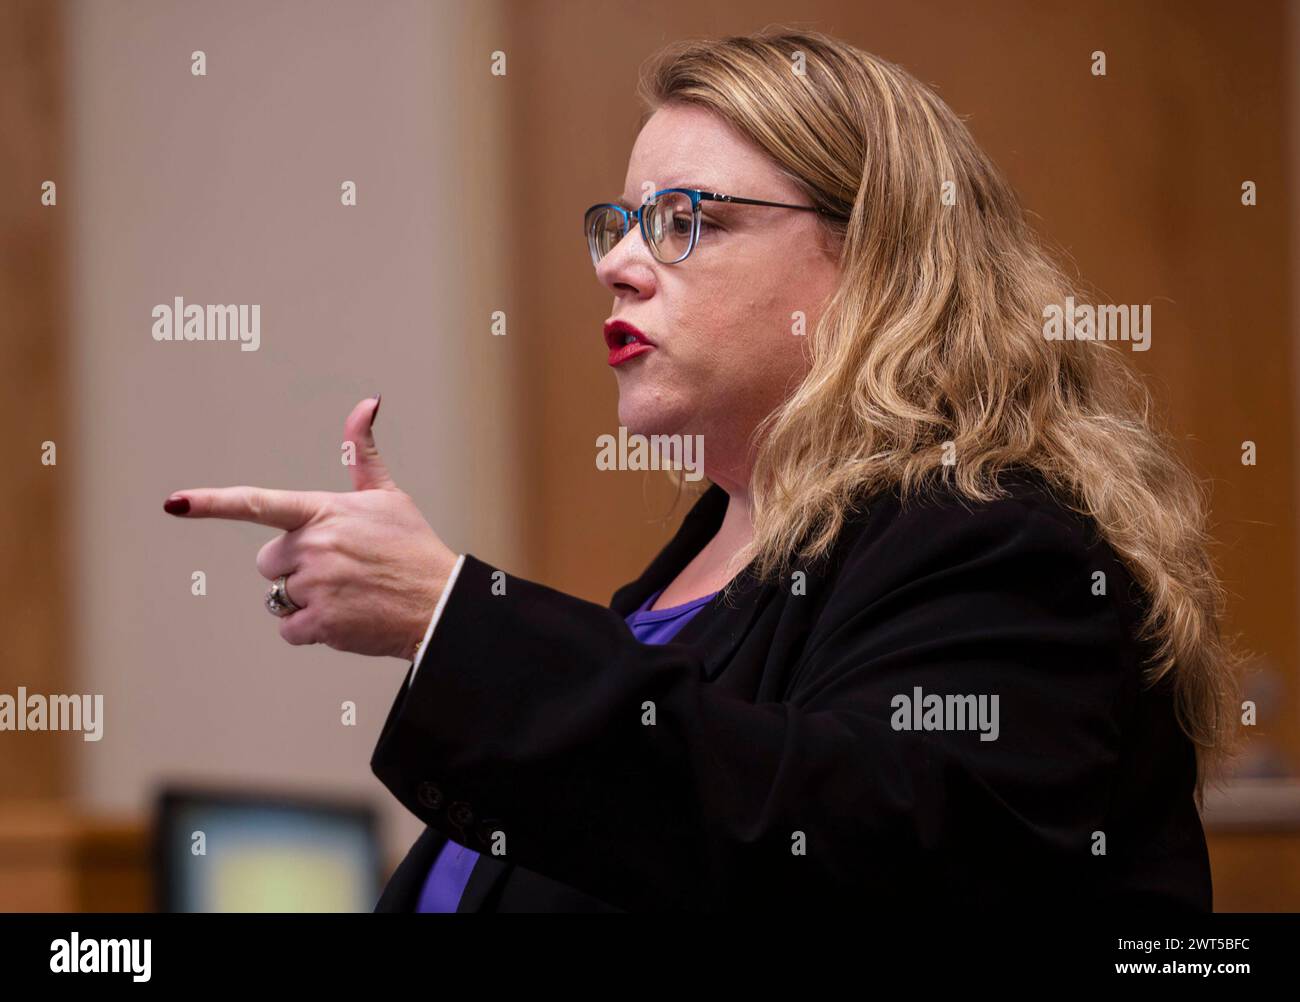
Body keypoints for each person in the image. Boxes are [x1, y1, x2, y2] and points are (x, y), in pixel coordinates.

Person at [162, 29, 1243, 912]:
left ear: (877, 260)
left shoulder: (996, 542)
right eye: (622, 225)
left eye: (689, 222)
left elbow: (840, 853)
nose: (622, 265)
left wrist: (447, 616)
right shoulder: (693, 577)